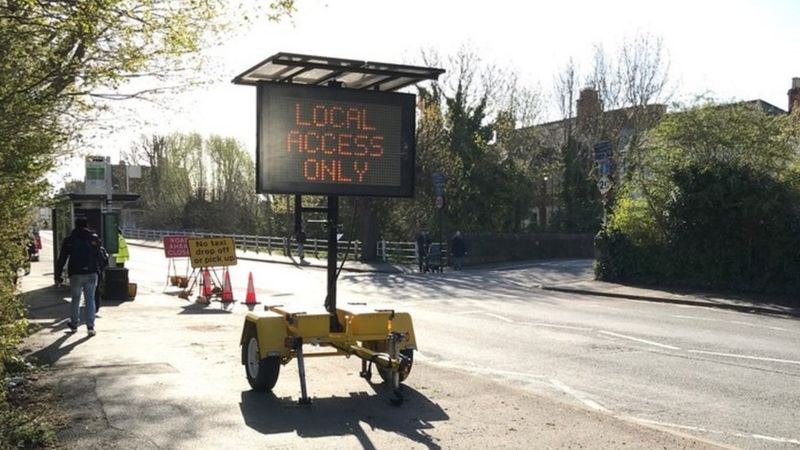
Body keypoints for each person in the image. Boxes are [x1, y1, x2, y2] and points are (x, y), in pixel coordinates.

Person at [54, 218, 107, 336]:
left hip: (75, 274)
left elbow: (62, 259)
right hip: (92, 273)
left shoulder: (69, 240)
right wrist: (101, 273)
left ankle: (74, 324)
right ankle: (90, 327)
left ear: (75, 225)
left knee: (75, 299)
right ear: (87, 225)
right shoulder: (94, 238)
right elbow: (100, 257)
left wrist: (58, 277)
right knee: (90, 300)